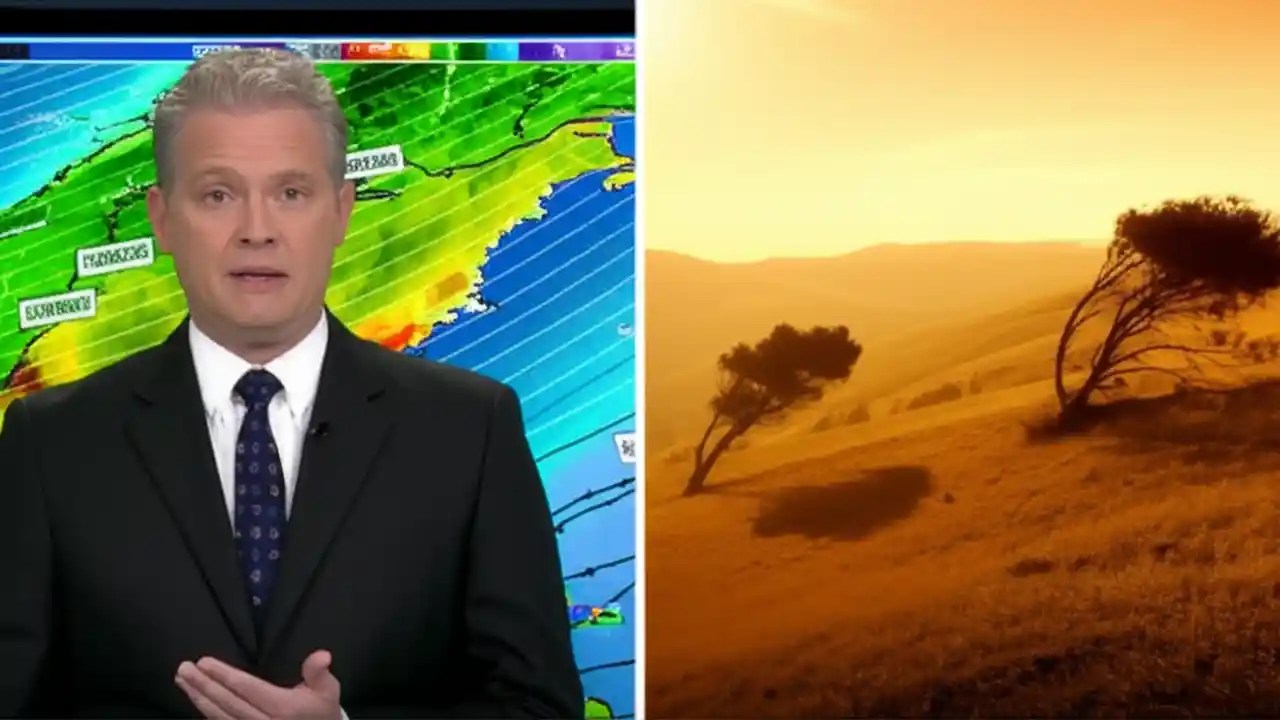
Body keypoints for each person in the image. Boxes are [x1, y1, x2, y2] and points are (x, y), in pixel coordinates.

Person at [0, 47, 583, 719]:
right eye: (218, 194)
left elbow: (540, 709)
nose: (256, 231)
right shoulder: (53, 444)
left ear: (341, 211)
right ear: (162, 219)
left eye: (291, 193)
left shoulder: (469, 431)